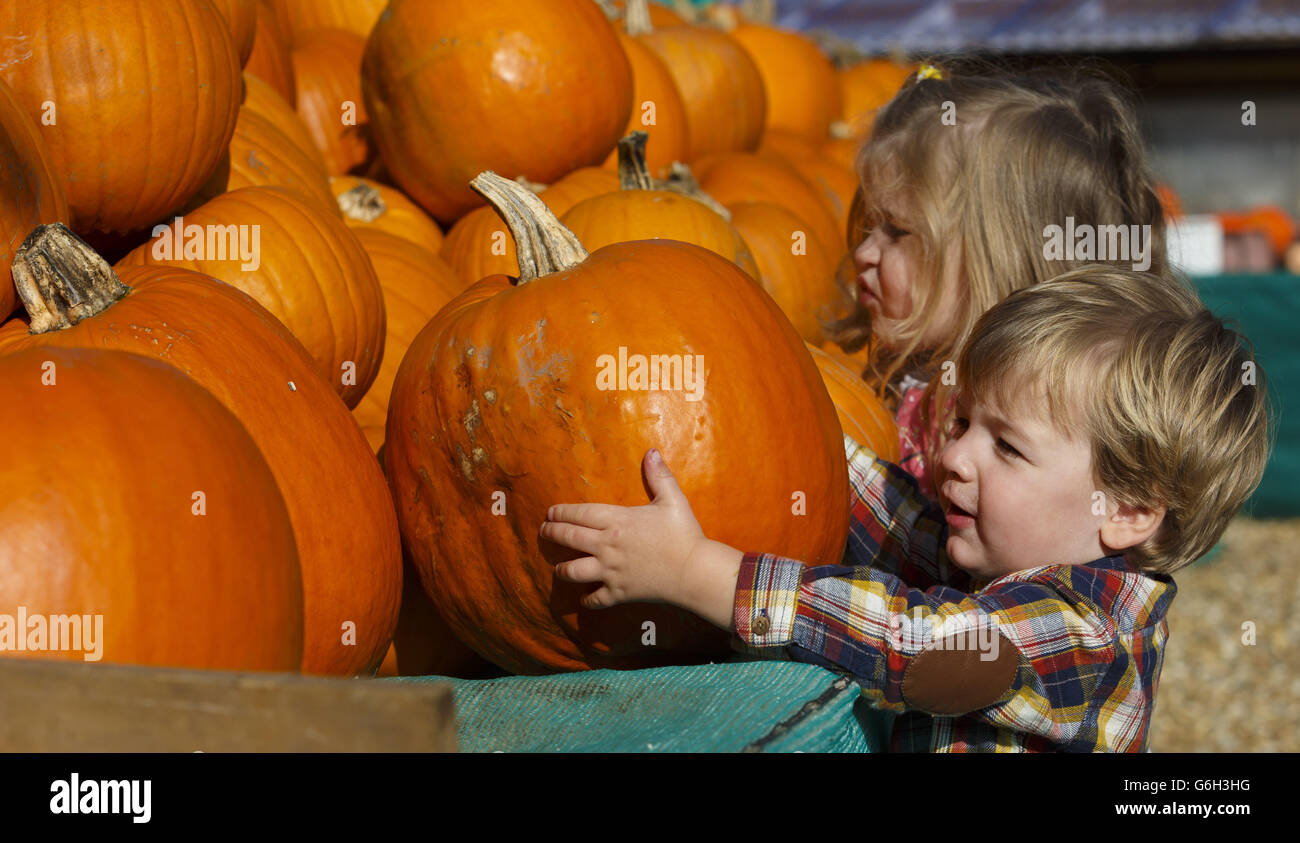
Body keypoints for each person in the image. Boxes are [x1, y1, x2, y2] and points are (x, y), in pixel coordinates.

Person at [541, 267, 1271, 752]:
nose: (955, 457)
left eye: (1007, 448)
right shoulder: (1013, 558)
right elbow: (895, 519)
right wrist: (767, 393)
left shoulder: (1084, 633)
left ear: (1129, 509)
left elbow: (913, 644)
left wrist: (700, 573)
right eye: (962, 424)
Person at [828, 62, 1171, 503]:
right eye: (869, 225)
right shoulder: (910, 379)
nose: (864, 252)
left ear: (998, 260)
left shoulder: (1016, 433)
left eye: (896, 230)